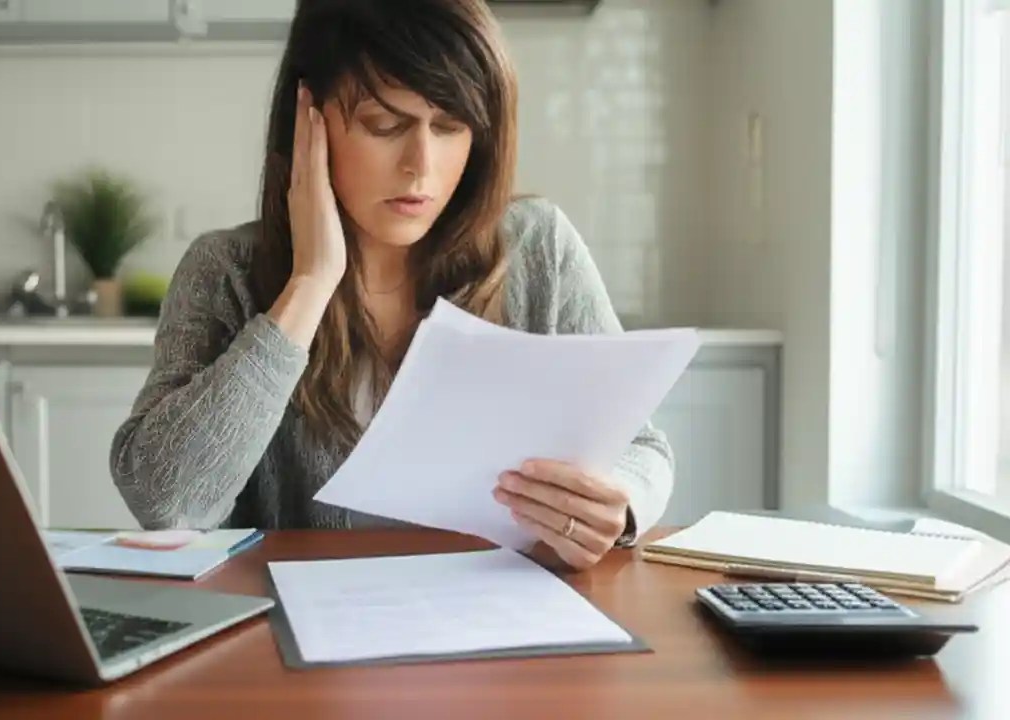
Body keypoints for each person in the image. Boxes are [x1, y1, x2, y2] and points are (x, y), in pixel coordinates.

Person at [109, 0, 673, 571]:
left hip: (498, 626)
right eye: (385, 124)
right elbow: (168, 504)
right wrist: (309, 284)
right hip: (295, 639)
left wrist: (616, 505)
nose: (420, 165)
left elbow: (642, 449)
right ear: (310, 116)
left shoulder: (539, 247)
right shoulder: (224, 270)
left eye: (450, 127)